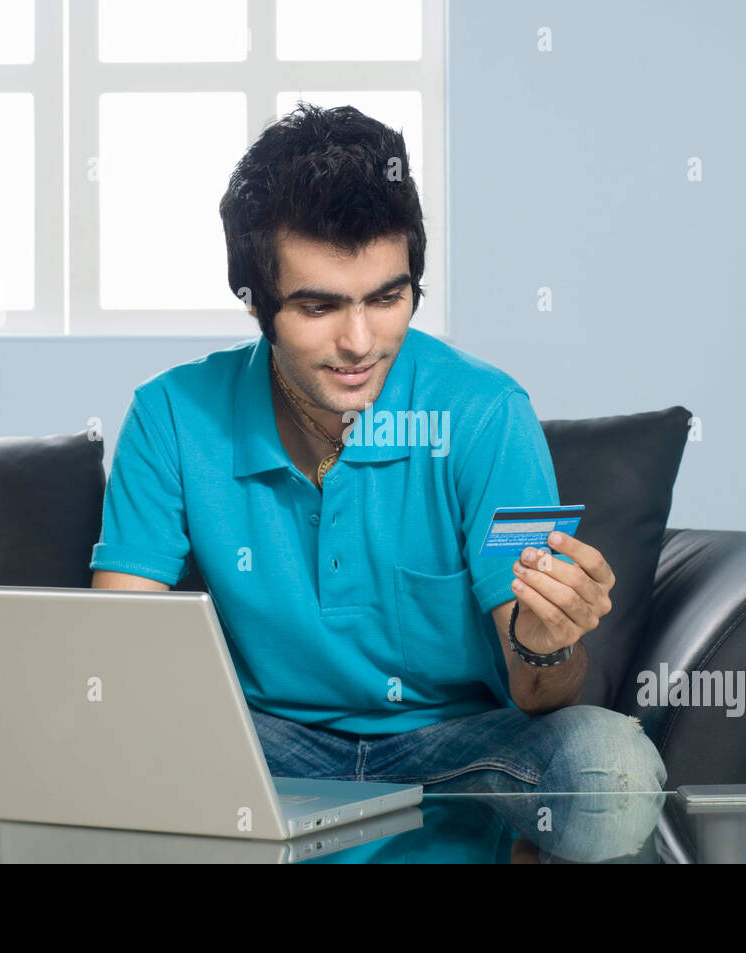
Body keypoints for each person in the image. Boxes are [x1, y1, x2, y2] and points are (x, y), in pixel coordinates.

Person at [89, 102, 666, 856]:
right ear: (257, 305)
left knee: (610, 773)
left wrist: (545, 643)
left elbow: (539, 694)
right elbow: (118, 656)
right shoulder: (171, 413)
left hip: (457, 748)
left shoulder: (488, 412)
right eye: (318, 306)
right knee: (81, 749)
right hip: (262, 745)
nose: (359, 343)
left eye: (386, 298)